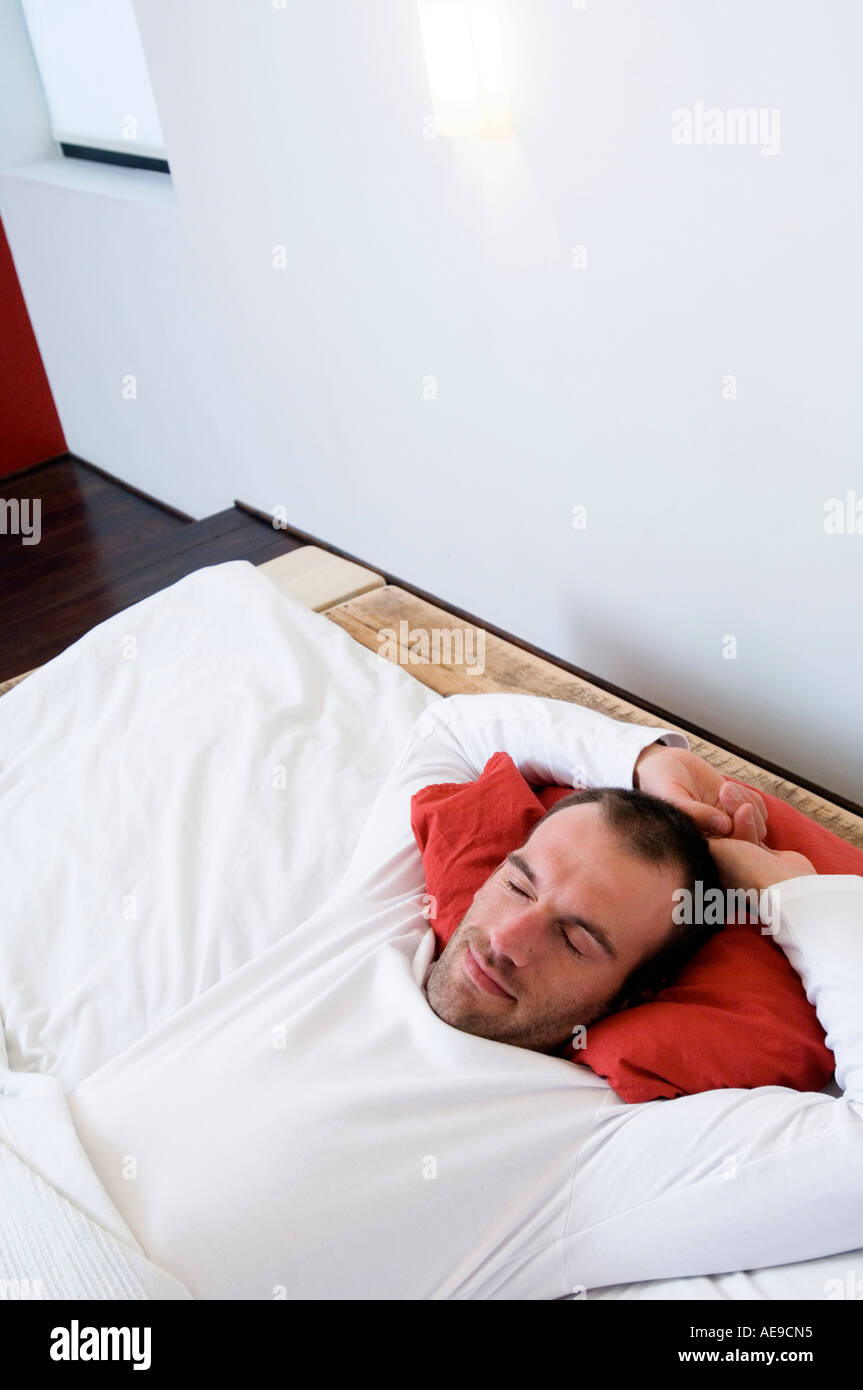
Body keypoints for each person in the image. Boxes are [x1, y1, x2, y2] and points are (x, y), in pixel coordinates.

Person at [69, 692, 863, 1299]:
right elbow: (453, 726)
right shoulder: (382, 917)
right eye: (518, 883)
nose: (507, 940)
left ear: (634, 993)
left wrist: (786, 891)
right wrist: (645, 763)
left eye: (577, 940)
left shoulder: (583, 1153)